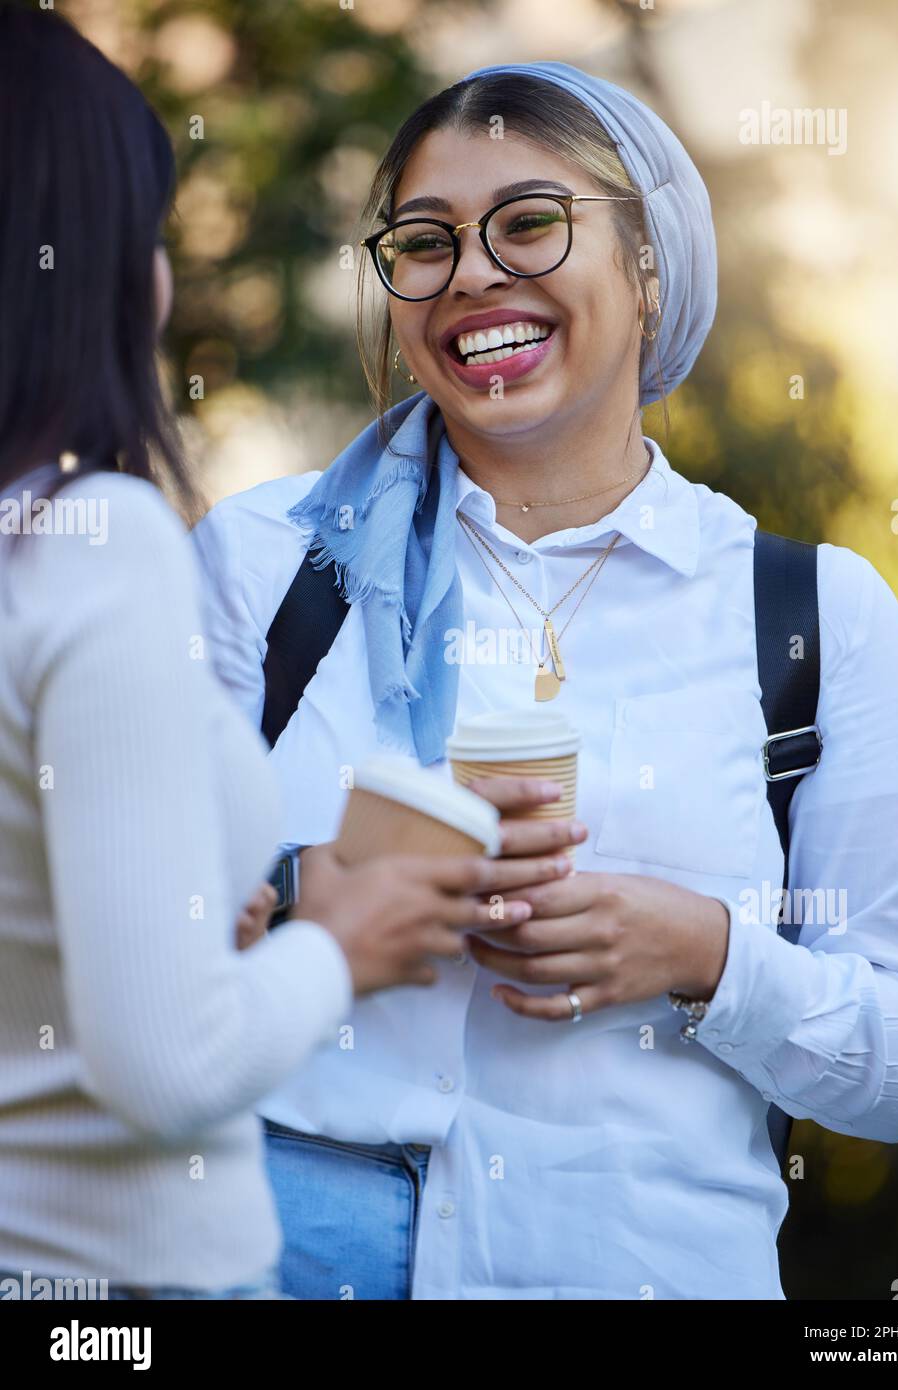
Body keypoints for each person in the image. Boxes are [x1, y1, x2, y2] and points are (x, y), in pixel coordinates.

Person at [192, 61, 898, 1299]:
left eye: (530, 222)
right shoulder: (262, 565)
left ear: (647, 264)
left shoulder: (810, 620)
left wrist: (704, 952)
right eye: (426, 241)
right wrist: (309, 897)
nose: (472, 277)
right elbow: (110, 942)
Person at [0, 7, 565, 1301]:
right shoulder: (94, 541)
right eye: (141, 233)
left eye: (526, 225)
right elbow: (167, 1068)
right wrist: (346, 935)